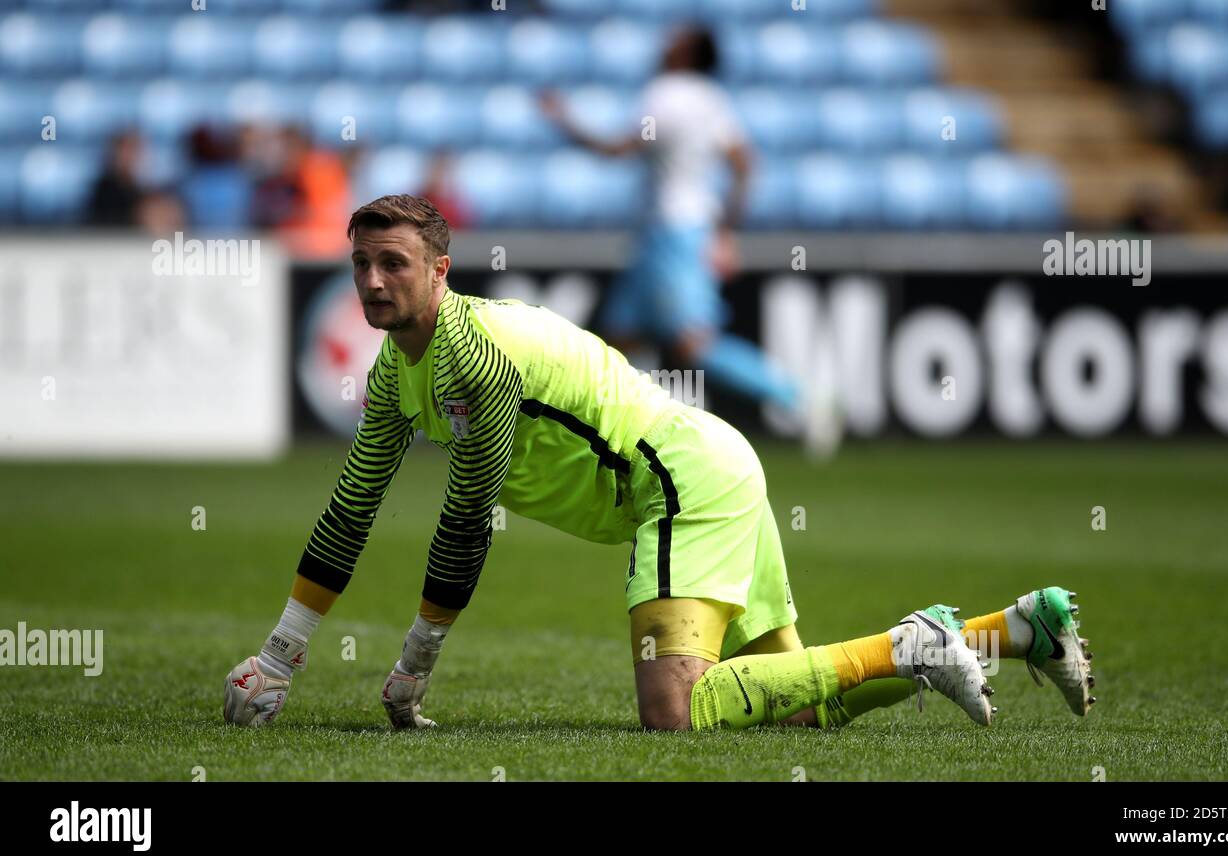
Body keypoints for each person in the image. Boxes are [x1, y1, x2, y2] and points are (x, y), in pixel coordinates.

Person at [223, 195, 1095, 733]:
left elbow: (464, 519)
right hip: (709, 467)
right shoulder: (392, 374)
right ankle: (1018, 628)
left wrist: (414, 666)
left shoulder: (477, 351)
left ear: (440, 271)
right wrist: (279, 654)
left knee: (673, 709)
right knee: (793, 706)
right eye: (361, 264)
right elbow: (350, 508)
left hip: (679, 481)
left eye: (394, 264)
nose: (373, 281)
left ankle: (918, 644)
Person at [539, 27, 841, 456]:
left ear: (688, 53)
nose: (663, 43)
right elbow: (744, 163)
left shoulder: (667, 92)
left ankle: (802, 398)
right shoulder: (711, 98)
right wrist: (724, 231)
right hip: (679, 231)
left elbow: (618, 150)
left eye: (675, 40)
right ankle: (604, 436)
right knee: (618, 338)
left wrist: (564, 121)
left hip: (672, 233)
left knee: (694, 343)